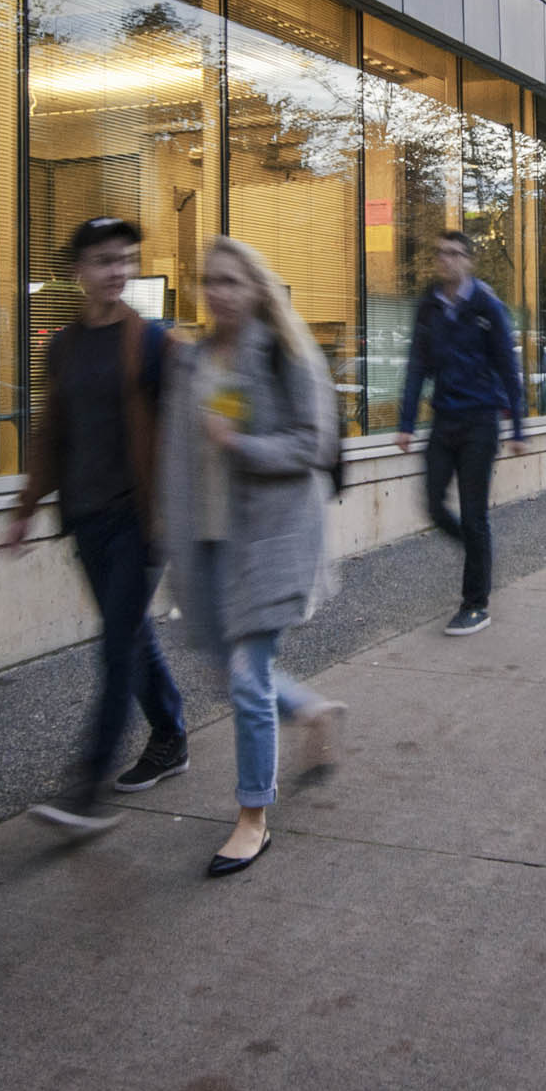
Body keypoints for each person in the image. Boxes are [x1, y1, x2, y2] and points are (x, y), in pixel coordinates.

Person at [160, 236, 344, 877]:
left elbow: (314, 444)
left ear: (257, 287)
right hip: (207, 540)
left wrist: (241, 445)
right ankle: (310, 711)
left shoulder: (285, 352)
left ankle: (252, 817)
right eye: (209, 280)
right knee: (228, 670)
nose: (218, 292)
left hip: (270, 538)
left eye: (232, 281)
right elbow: (178, 454)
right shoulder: (192, 360)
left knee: (244, 678)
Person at [8, 217, 188, 835]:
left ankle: (87, 788)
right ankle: (170, 733)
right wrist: (28, 505)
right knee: (129, 633)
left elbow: (186, 430)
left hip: (139, 518)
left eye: (127, 260)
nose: (118, 271)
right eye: (105, 260)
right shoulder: (61, 346)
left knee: (114, 646)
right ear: (78, 270)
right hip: (84, 514)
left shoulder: (154, 343)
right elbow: (52, 431)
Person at [394, 228, 527, 637]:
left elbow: (508, 368)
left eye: (454, 253)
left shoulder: (487, 305)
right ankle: (476, 549)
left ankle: (475, 603)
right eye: (441, 253)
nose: (446, 260)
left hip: (480, 423)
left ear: (468, 260)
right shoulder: (429, 307)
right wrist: (405, 423)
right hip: (443, 421)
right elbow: (417, 365)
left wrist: (518, 427)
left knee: (473, 513)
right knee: (433, 506)